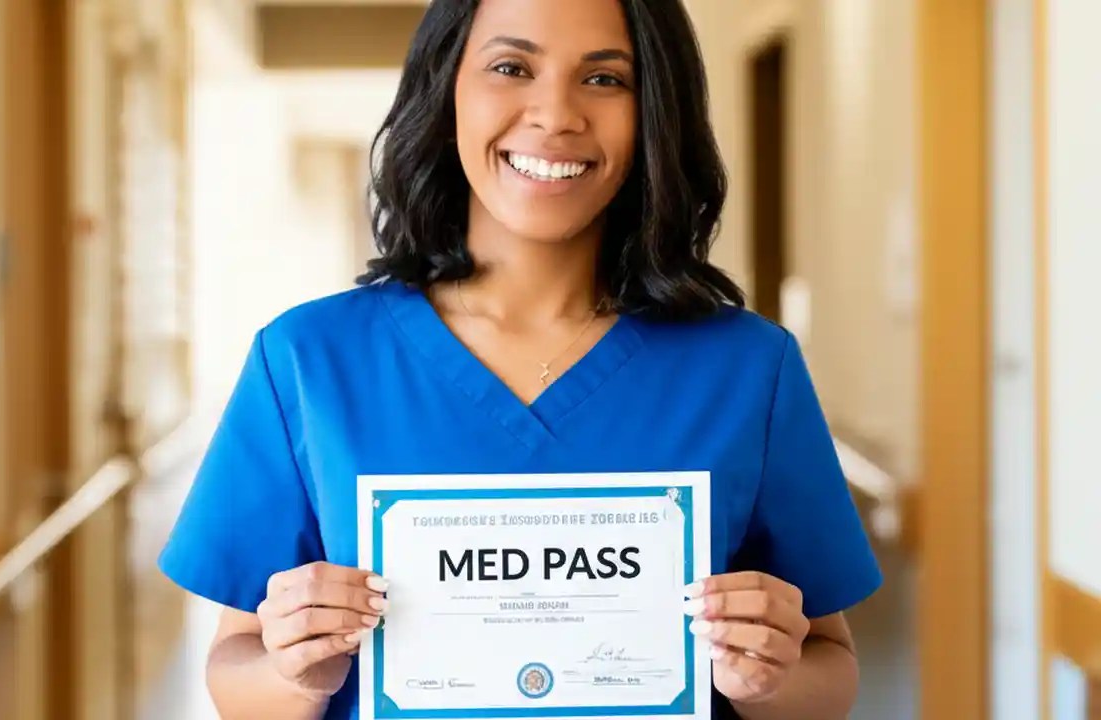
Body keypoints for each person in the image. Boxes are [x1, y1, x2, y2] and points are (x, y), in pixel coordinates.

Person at [158, 0, 883, 717]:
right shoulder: (309, 360)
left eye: (605, 79)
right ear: (446, 93)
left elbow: (830, 669)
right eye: (511, 67)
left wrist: (768, 681)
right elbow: (235, 666)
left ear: (656, 110)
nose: (555, 113)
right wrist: (296, 675)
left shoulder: (748, 368)